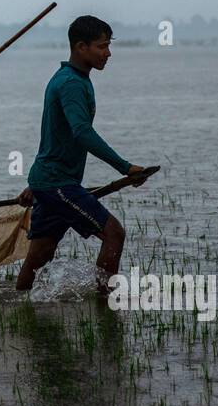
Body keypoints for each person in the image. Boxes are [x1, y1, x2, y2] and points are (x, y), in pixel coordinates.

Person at [16, 16, 151, 292]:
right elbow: (82, 132)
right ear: (80, 47)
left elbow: (54, 138)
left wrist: (35, 185)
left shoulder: (73, 79)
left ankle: (19, 308)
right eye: (102, 47)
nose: (108, 53)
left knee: (39, 256)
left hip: (48, 181)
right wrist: (125, 168)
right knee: (113, 233)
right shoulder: (72, 84)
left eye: (108, 46)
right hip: (57, 183)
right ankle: (105, 306)